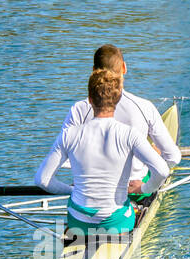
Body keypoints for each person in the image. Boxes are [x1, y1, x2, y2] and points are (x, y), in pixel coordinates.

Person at [35, 68, 169, 235]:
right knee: (129, 209)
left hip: (78, 221)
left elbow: (42, 180)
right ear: (118, 99)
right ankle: (131, 213)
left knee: (77, 209)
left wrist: (72, 190)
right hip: (115, 222)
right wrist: (143, 189)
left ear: (90, 100)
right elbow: (163, 170)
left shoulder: (68, 135)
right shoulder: (129, 135)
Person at [59, 45, 180, 201]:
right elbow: (173, 157)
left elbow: (64, 159)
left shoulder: (78, 109)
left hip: (88, 195)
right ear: (124, 67)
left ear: (94, 70)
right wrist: (154, 160)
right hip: (133, 191)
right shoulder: (144, 107)